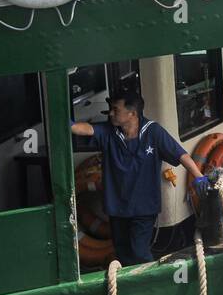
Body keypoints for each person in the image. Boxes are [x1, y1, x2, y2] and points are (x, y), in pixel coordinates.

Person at [70, 91, 209, 266]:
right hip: (117, 207)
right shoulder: (108, 132)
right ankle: (129, 288)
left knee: (139, 251)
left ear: (132, 113)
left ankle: (152, 287)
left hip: (143, 208)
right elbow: (84, 129)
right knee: (122, 251)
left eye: (115, 109)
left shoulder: (153, 132)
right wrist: (67, 123)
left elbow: (181, 155)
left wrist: (199, 177)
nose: (111, 113)